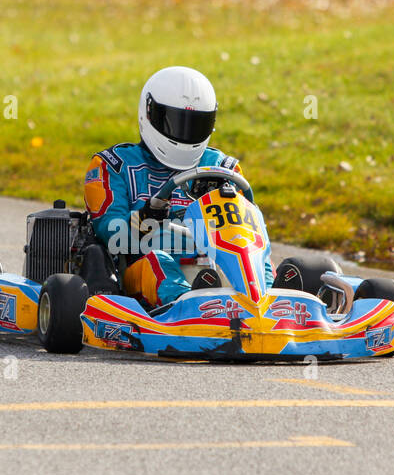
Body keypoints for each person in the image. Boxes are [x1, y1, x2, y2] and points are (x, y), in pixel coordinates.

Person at [82, 66, 274, 308]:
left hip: (216, 263)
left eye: (196, 125)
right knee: (159, 261)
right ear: (150, 113)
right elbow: (109, 231)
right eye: (176, 123)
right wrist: (142, 220)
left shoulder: (223, 168)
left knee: (258, 257)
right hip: (142, 267)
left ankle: (271, 300)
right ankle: (186, 304)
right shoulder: (113, 165)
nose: (185, 134)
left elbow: (248, 228)